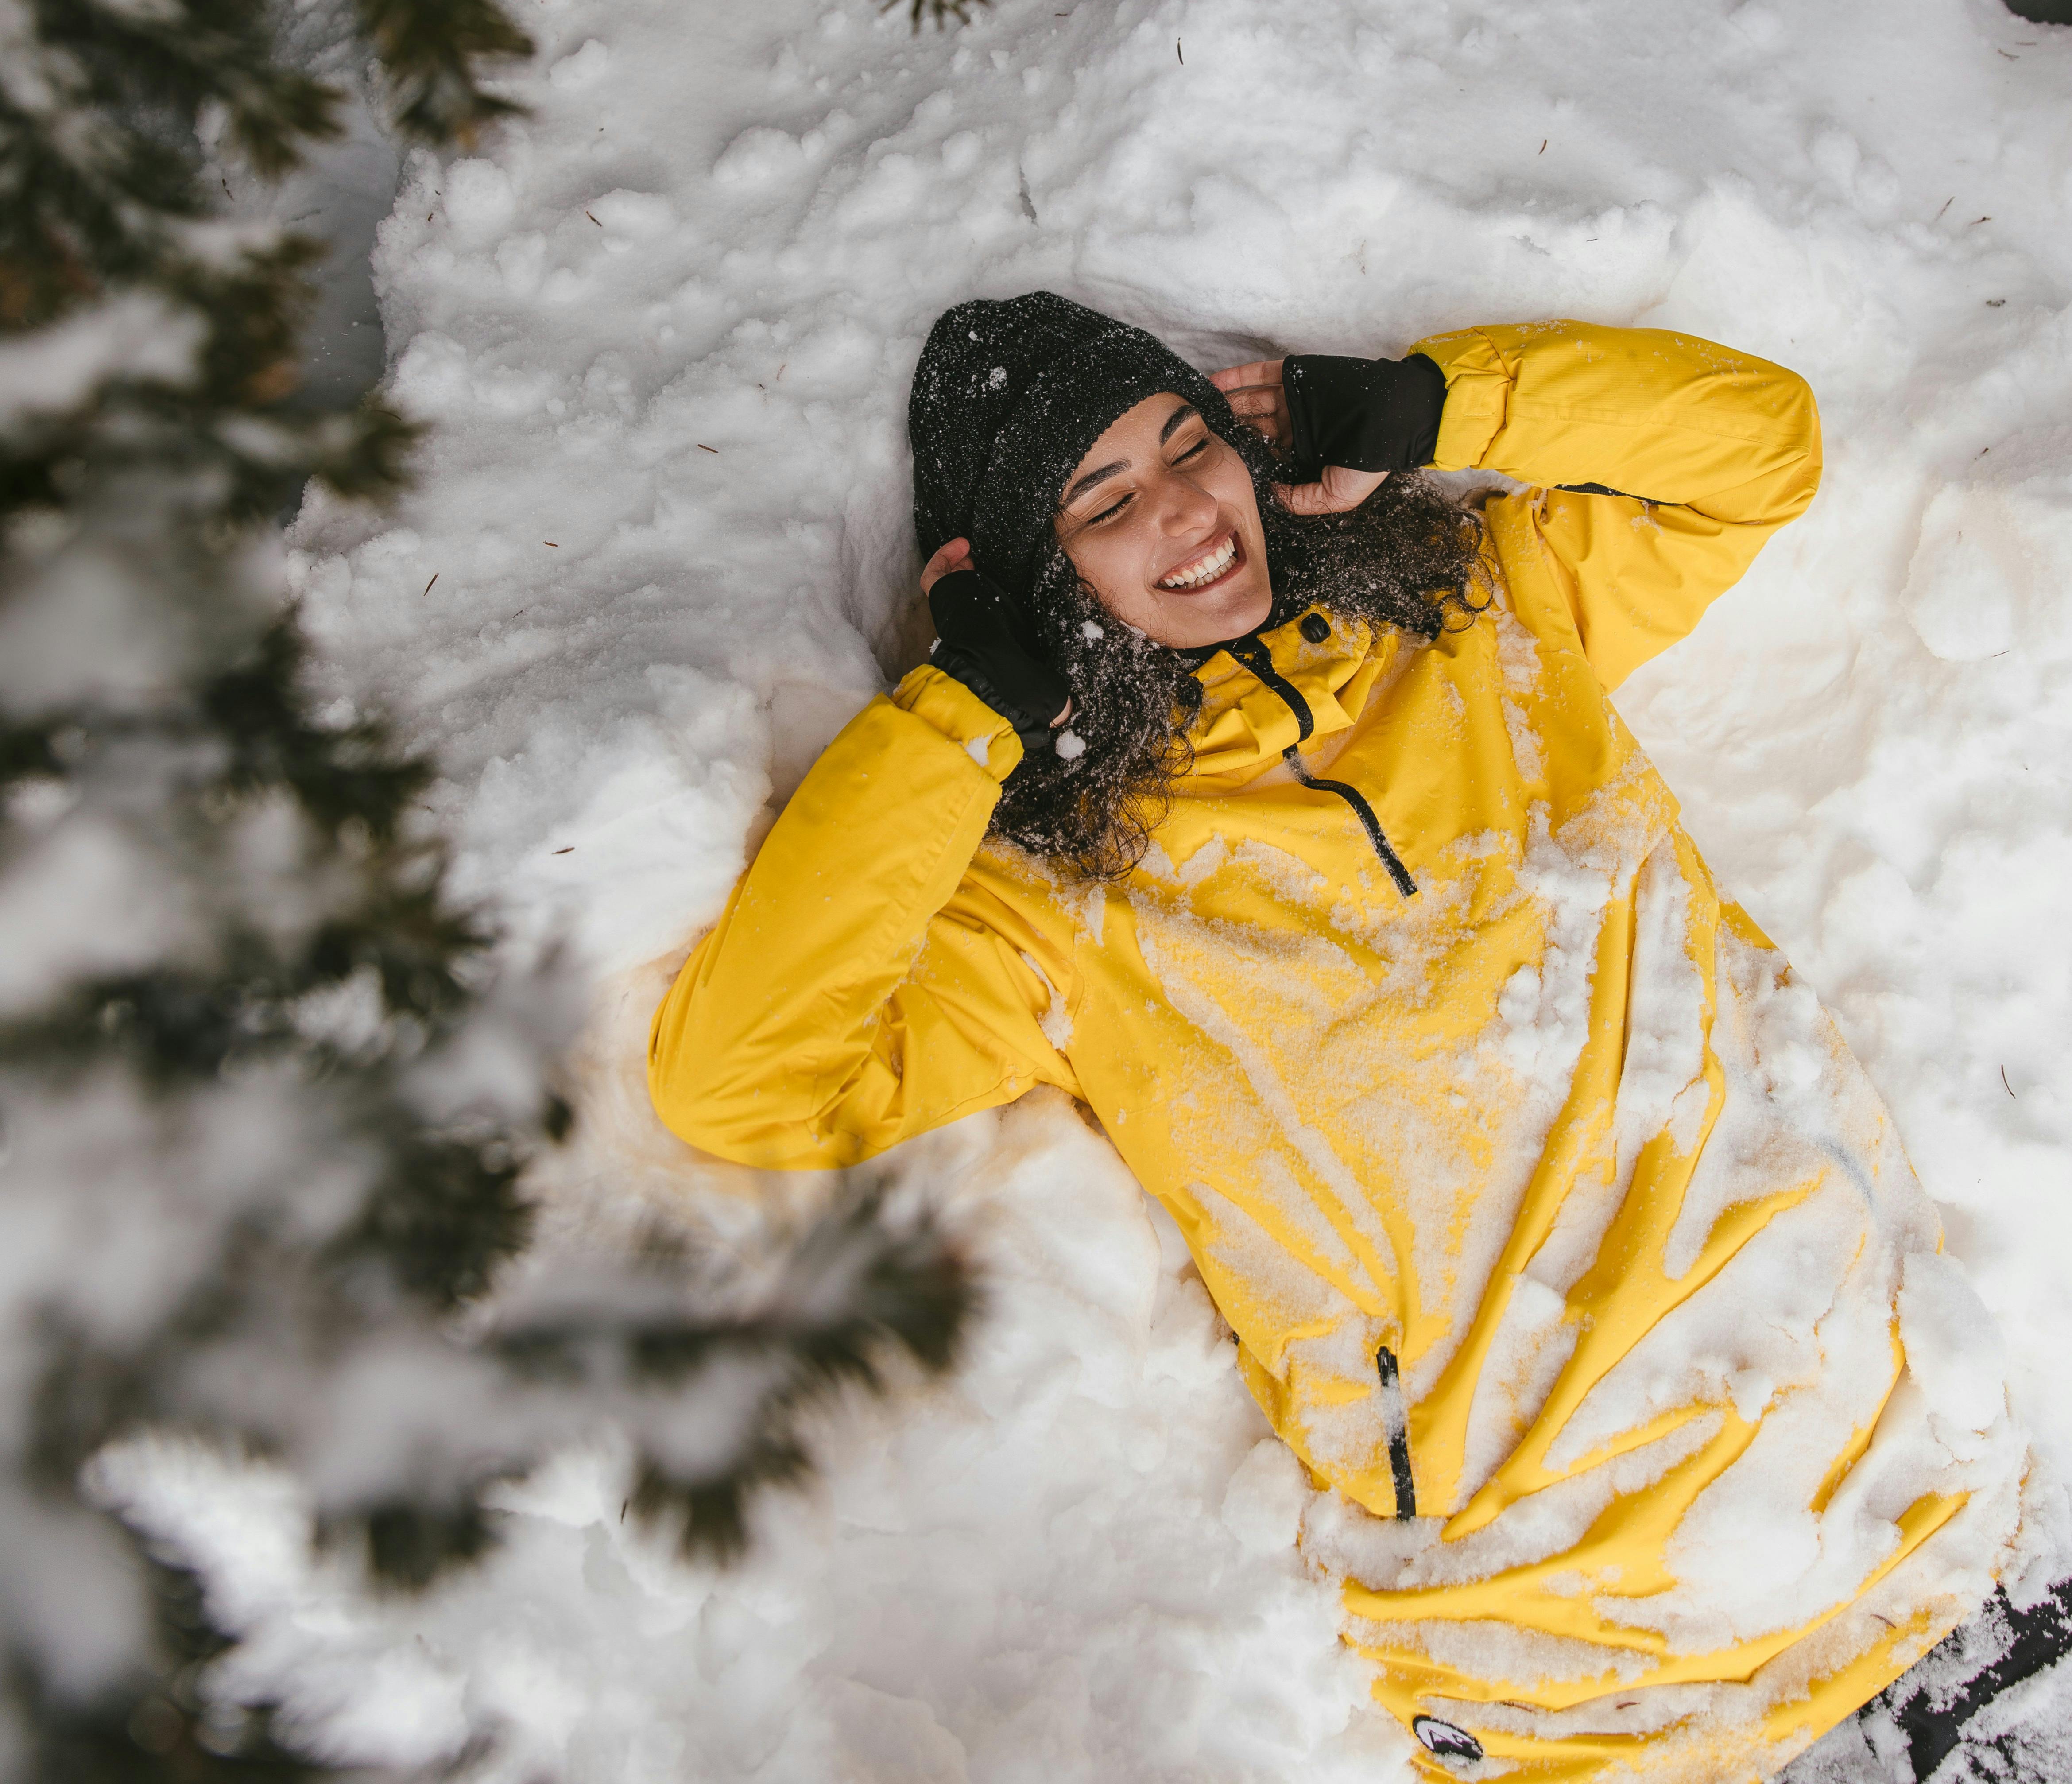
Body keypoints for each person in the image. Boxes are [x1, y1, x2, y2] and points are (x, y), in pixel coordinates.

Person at [648, 296, 2053, 1782]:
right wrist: (963, 711)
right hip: (1574, 1657)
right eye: (1104, 502)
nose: (1183, 507)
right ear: (1023, 580)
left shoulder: (1490, 621)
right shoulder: (1054, 907)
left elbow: (1758, 450)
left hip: (1906, 1490)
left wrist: (1443, 411)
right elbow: (739, 1085)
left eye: (1191, 444)